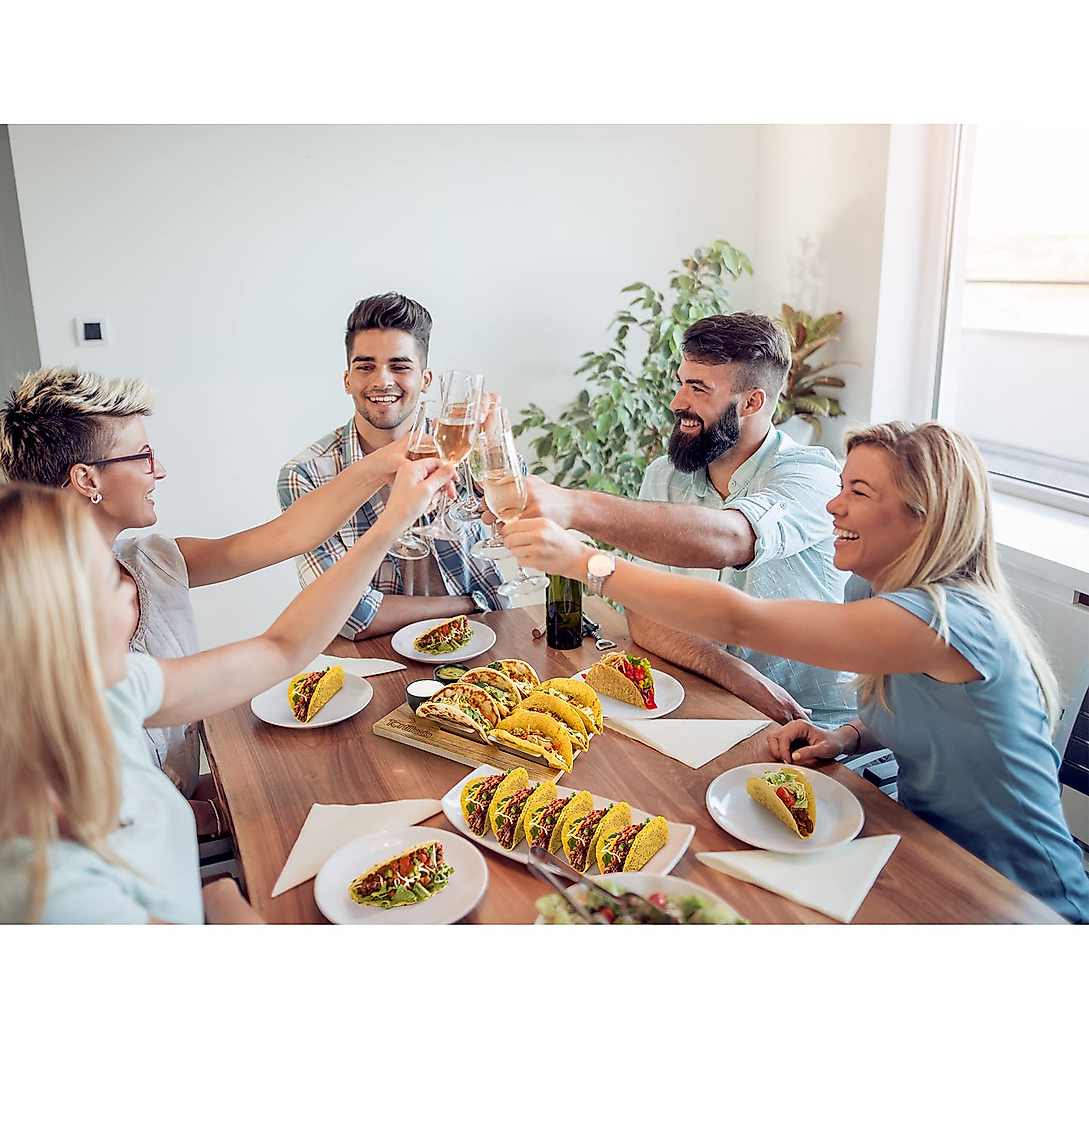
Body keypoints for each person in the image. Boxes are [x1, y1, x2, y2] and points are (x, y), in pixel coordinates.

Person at [503, 421, 1089, 922]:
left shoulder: (946, 620)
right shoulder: (872, 591)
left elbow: (743, 620)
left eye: (859, 492)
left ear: (924, 516)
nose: (835, 506)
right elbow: (937, 715)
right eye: (841, 487)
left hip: (1017, 896)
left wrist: (587, 563)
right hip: (922, 848)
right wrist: (848, 735)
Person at [0, 460, 451, 924]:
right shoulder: (44, 889)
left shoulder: (98, 690)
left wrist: (387, 527)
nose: (127, 590)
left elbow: (281, 648)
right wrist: (220, 900)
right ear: (47, 626)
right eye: (108, 579)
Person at [0, 365, 413, 837]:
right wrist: (216, 815)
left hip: (179, 808)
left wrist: (380, 465)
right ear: (87, 480)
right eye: (143, 456)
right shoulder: (37, 642)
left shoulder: (149, 562)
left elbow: (288, 535)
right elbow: (91, 817)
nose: (160, 470)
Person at [507, 312, 853, 729]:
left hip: (820, 729)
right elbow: (646, 615)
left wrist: (576, 507)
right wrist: (736, 676)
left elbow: (732, 539)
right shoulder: (665, 476)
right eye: (681, 382)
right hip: (714, 704)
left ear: (752, 402)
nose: (677, 402)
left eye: (698, 388)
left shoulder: (812, 474)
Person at [277, 292, 506, 640]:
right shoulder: (305, 475)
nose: (382, 381)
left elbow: (518, 518)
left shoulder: (461, 441)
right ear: (347, 380)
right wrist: (472, 603)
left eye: (399, 367)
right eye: (365, 366)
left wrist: (495, 449)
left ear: (426, 380)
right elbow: (348, 615)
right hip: (375, 659)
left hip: (481, 642)